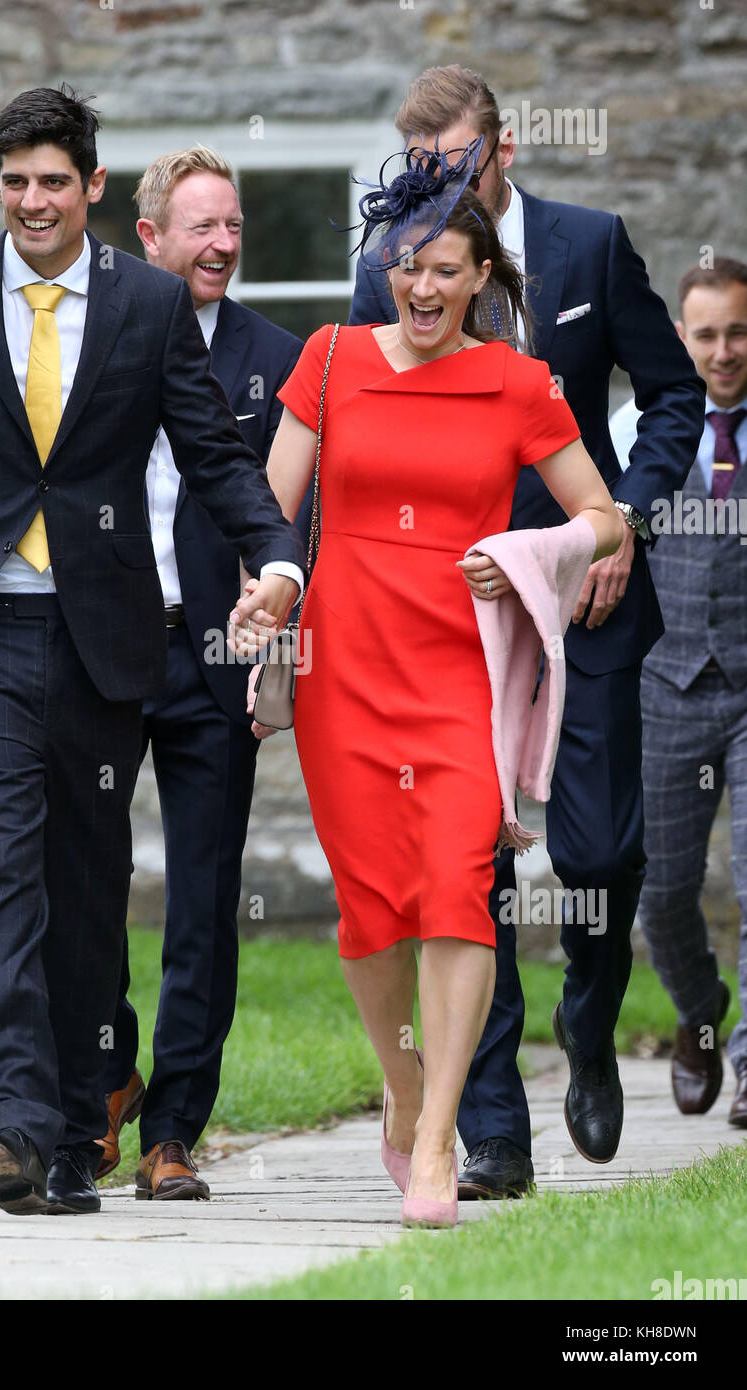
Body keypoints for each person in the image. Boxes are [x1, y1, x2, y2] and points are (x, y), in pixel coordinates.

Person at [0, 86, 304, 1217]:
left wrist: (275, 557)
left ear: (90, 189)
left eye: (53, 182)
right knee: (2, 872)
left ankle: (82, 1122)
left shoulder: (145, 306)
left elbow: (217, 455)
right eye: (14, 181)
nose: (33, 200)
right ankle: (13, 1126)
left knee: (85, 889)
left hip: (103, 640)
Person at [232, 141, 621, 1226]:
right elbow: (273, 509)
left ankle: (442, 1132)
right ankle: (400, 1089)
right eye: (406, 264)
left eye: (446, 267)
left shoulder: (516, 381)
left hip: (458, 667)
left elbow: (602, 516)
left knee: (455, 889)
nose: (421, 285)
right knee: (367, 908)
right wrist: (267, 588)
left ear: (480, 278)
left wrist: (529, 554)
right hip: (341, 665)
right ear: (385, 266)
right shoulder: (329, 358)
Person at [350, 65, 704, 1195]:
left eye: (449, 162)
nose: (433, 184)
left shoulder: (590, 246)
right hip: (453, 614)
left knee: (598, 854)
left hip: (582, 594)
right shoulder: (386, 270)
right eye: (417, 169)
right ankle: (489, 1125)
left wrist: (623, 527)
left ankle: (589, 1020)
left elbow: (671, 392)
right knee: (465, 871)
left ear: (500, 152)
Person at [93, 147, 302, 1200]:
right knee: (76, 878)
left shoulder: (281, 356)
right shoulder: (98, 334)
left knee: (203, 900)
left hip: (224, 653)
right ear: (150, 238)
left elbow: (297, 521)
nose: (222, 243)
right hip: (106, 641)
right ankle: (108, 1070)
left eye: (232, 226)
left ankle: (172, 1130)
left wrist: (281, 660)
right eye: (201, 227)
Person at [610, 257, 747, 1128]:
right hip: (665, 683)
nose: (724, 351)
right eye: (706, 334)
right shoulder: (635, 432)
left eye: (738, 331)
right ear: (679, 340)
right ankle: (699, 1011)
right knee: (659, 891)